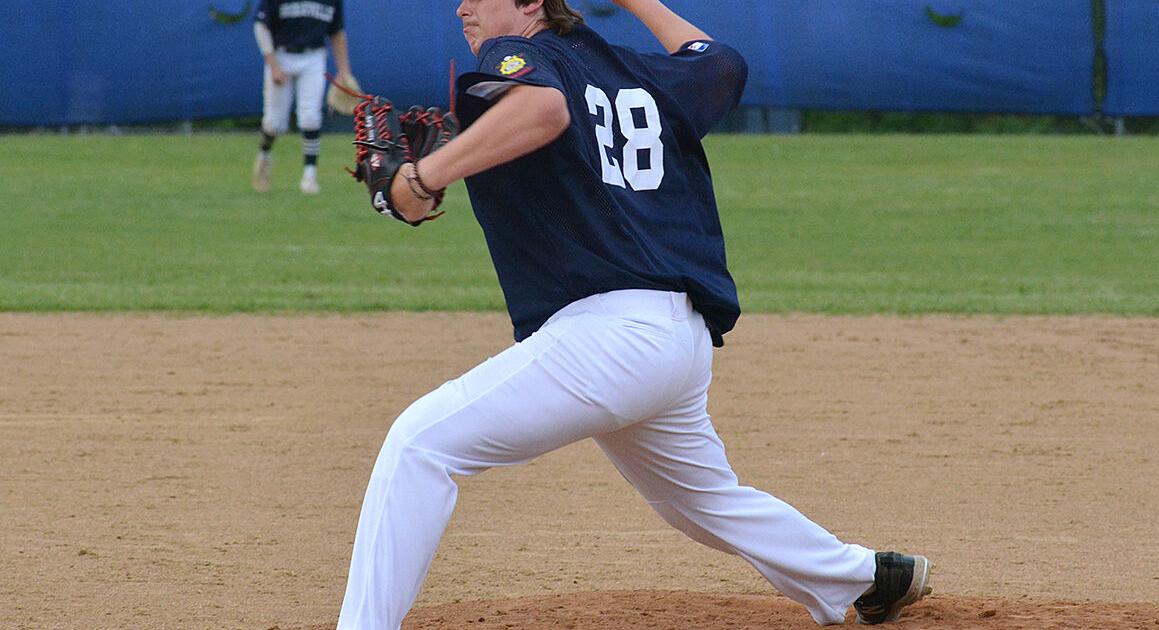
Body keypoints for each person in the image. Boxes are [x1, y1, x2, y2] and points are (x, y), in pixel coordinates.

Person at [336, 1, 932, 628]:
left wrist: (422, 180)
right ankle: (868, 576)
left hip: (608, 336)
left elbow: (542, 108)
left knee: (418, 445)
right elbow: (722, 65)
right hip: (675, 340)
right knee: (700, 502)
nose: (462, 5)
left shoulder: (519, 58)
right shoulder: (637, 73)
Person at [251, 0, 352, 194]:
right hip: (281, 55)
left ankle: (309, 177)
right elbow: (260, 26)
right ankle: (264, 155)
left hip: (313, 57)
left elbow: (337, 31)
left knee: (310, 116)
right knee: (274, 123)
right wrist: (273, 65)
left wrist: (344, 70)